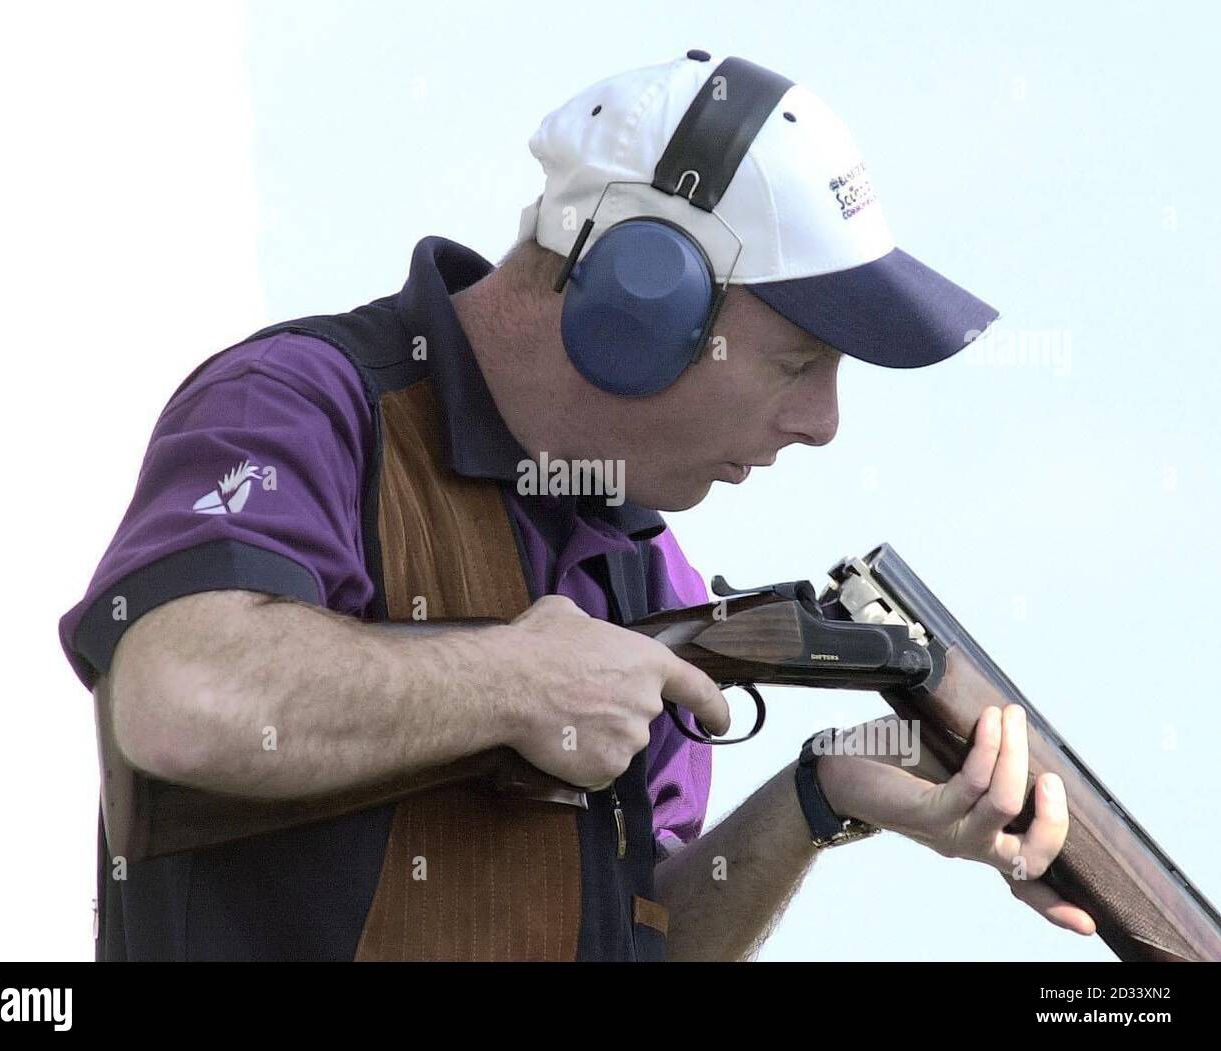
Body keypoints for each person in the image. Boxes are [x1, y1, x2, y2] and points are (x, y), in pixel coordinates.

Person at [59, 51, 1096, 961]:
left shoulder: (661, 581)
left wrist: (817, 796)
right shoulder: (309, 403)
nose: (823, 422)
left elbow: (638, 934)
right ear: (644, 297)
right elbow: (176, 695)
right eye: (798, 361)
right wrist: (514, 680)